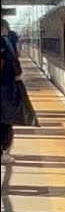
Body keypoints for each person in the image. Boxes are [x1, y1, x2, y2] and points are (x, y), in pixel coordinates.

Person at [1, 29, 20, 165]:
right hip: (5, 90)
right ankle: (3, 153)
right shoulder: (4, 43)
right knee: (5, 123)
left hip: (6, 89)